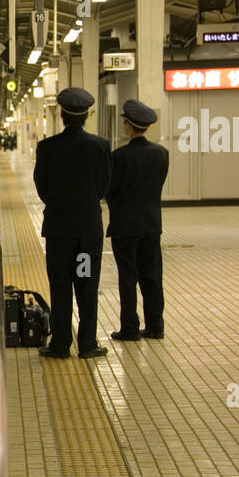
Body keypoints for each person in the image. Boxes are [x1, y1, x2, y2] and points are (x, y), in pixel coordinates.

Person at [34, 87, 111, 359]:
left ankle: (60, 344)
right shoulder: (101, 146)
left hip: (58, 232)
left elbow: (41, 186)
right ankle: (88, 344)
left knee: (60, 285)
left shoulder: (46, 147)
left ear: (62, 115)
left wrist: (58, 205)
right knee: (86, 284)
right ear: (87, 115)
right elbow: (104, 185)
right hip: (87, 233)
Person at [106, 99, 169, 341]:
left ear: (128, 126)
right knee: (152, 276)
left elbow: (109, 191)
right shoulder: (162, 154)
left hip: (124, 226)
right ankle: (155, 326)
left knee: (128, 277)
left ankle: (130, 328)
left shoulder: (119, 157)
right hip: (152, 225)